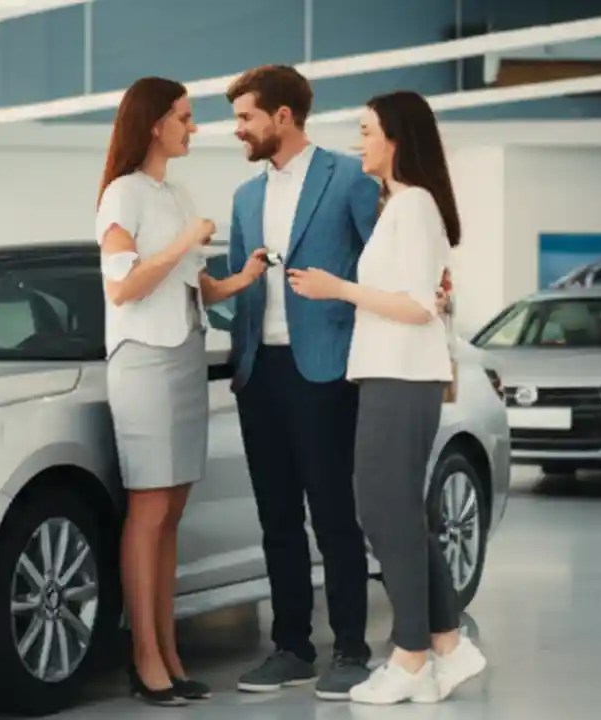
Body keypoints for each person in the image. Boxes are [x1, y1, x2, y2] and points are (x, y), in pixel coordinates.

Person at [288, 90, 488, 705]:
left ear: (397, 137)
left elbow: (417, 305)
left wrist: (337, 289)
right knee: (394, 510)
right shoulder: (398, 206)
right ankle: (447, 645)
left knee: (382, 510)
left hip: (404, 375)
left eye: (368, 129)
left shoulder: (415, 207)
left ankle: (411, 655)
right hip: (389, 373)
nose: (360, 140)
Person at [95, 75, 268, 707]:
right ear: (153, 124)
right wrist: (184, 242)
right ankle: (144, 659)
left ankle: (168, 650)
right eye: (185, 117)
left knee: (170, 513)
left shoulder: (174, 192)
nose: (193, 127)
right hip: (144, 363)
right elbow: (125, 286)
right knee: (148, 512)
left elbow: (198, 288)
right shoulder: (122, 194)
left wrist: (244, 275)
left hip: (185, 357)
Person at [223, 64, 381, 701]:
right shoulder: (244, 196)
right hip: (261, 372)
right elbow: (239, 285)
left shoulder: (348, 177)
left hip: (326, 368)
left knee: (334, 514)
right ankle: (291, 645)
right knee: (277, 515)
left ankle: (351, 647)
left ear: (281, 117)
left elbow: (378, 266)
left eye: (246, 118)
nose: (238, 130)